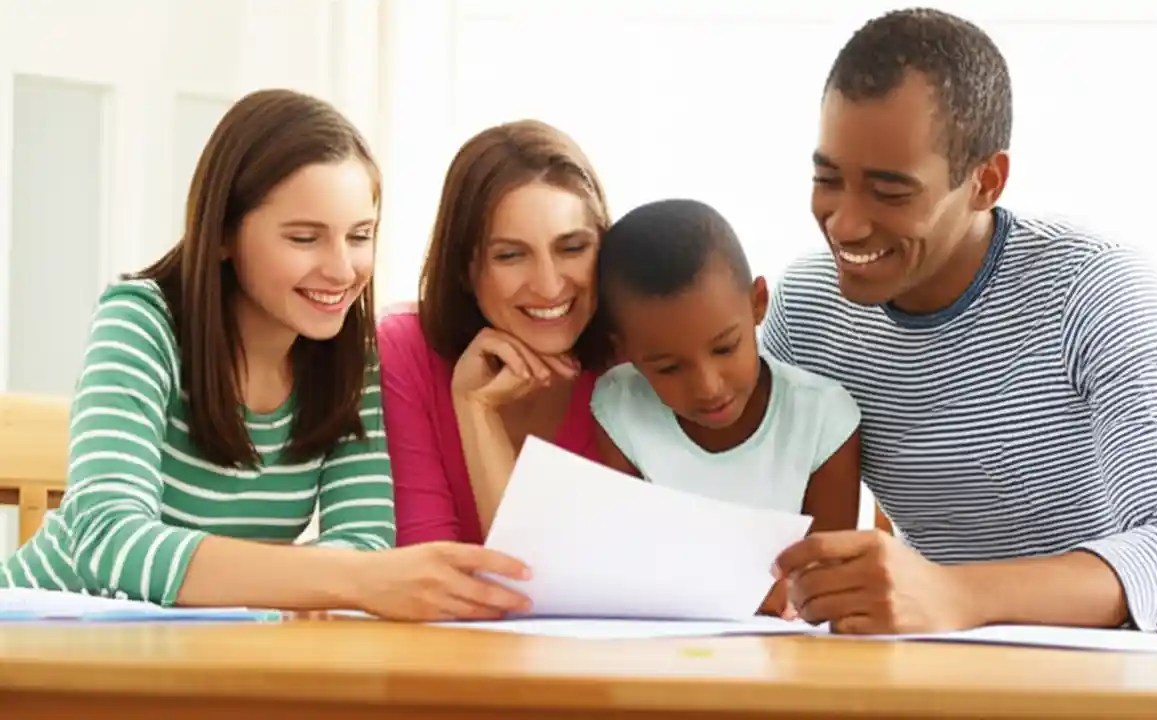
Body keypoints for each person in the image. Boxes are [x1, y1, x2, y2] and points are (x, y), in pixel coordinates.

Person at [764, 8, 1157, 634]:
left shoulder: (1093, 286)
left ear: (986, 181)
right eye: (827, 178)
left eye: (890, 192)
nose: (844, 224)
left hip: (1111, 677)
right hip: (937, 673)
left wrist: (956, 595)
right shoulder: (807, 307)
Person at [0, 89, 531, 622]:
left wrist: (346, 575)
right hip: (40, 638)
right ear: (225, 234)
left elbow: (365, 542)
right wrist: (343, 579)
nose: (343, 270)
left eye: (360, 236)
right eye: (305, 238)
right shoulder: (141, 322)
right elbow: (109, 542)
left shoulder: (351, 355)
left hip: (193, 652)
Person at [590, 198, 862, 617]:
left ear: (758, 302)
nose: (708, 386)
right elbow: (623, 562)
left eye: (725, 347)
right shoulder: (618, 408)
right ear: (623, 351)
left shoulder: (823, 418)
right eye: (667, 367)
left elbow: (825, 586)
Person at [379, 120, 613, 546]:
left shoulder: (635, 365)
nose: (549, 284)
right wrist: (474, 406)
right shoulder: (403, 351)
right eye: (510, 255)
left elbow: (561, 581)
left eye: (572, 248)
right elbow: (433, 569)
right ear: (466, 269)